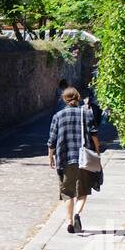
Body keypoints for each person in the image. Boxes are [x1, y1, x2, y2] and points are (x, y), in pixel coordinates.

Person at [47, 86, 101, 234]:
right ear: (78, 97)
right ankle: (77, 214)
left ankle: (69, 221)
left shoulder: (58, 116)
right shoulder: (86, 114)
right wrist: (97, 151)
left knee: (68, 192)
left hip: (65, 158)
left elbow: (52, 140)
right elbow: (94, 135)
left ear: (64, 99)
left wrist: (51, 157)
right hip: (85, 159)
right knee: (83, 191)